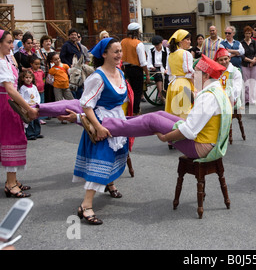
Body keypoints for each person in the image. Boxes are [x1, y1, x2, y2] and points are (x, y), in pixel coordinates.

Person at [81, 55, 232, 162]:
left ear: (205, 76)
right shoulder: (216, 91)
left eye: (195, 74)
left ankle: (105, 127)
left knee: (152, 119)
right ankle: (113, 123)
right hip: (207, 142)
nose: (192, 78)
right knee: (159, 114)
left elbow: (190, 131)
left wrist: (166, 138)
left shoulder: (208, 97)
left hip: (201, 146)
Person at [74, 37, 129, 225]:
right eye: (115, 51)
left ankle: (110, 184)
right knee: (102, 161)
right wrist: (99, 127)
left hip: (116, 121)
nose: (119, 54)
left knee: (118, 154)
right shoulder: (97, 76)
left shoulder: (120, 72)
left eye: (120, 51)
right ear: (104, 54)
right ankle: (86, 205)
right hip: (101, 122)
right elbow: (86, 105)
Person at [0, 29, 39, 198]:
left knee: (15, 139)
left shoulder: (7, 59)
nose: (11, 45)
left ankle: (13, 180)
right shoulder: (1, 63)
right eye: (8, 42)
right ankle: (10, 183)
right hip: (6, 104)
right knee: (12, 140)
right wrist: (28, 109)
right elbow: (10, 89)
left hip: (9, 103)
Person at [121, 22, 150, 115]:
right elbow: (143, 62)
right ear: (137, 32)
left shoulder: (122, 42)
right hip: (136, 69)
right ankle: (135, 111)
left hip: (125, 69)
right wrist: (147, 74)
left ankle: (129, 109)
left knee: (129, 90)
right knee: (137, 91)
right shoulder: (138, 43)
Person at [165, 29, 195, 120]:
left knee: (174, 114)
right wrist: (196, 86)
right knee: (186, 113)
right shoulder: (186, 54)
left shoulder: (170, 55)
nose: (189, 42)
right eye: (188, 39)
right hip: (184, 85)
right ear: (181, 41)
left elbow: (169, 73)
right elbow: (189, 72)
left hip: (173, 85)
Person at [18, 70, 43, 140]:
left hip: (35, 105)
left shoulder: (34, 87)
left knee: (37, 120)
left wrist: (37, 102)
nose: (28, 79)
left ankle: (37, 133)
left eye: (30, 77)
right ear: (23, 78)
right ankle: (30, 134)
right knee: (30, 121)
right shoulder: (23, 88)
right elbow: (21, 96)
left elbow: (37, 95)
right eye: (26, 77)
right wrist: (26, 103)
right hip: (28, 106)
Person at [240, 25, 256, 105]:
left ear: (251, 34)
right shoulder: (241, 43)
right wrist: (250, 61)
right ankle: (246, 99)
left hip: (254, 65)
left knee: (254, 82)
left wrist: (253, 61)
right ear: (244, 34)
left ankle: (253, 99)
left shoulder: (253, 42)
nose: (248, 35)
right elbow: (242, 55)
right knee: (246, 82)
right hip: (245, 64)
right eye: (246, 33)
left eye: (249, 33)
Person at [148, 35, 169, 103]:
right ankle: (161, 93)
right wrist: (151, 66)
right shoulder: (151, 51)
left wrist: (167, 69)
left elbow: (168, 61)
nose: (156, 46)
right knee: (158, 75)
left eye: (158, 45)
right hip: (155, 68)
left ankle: (166, 93)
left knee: (167, 77)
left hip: (165, 67)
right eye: (155, 45)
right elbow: (149, 61)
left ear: (161, 43)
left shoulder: (167, 50)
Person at [30, 56, 46, 125]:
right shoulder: (30, 72)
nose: (38, 66)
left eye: (39, 64)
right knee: (36, 104)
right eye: (36, 64)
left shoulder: (41, 71)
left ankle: (40, 118)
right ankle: (36, 118)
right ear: (31, 64)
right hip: (35, 91)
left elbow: (43, 79)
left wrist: (43, 84)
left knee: (41, 104)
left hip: (42, 90)